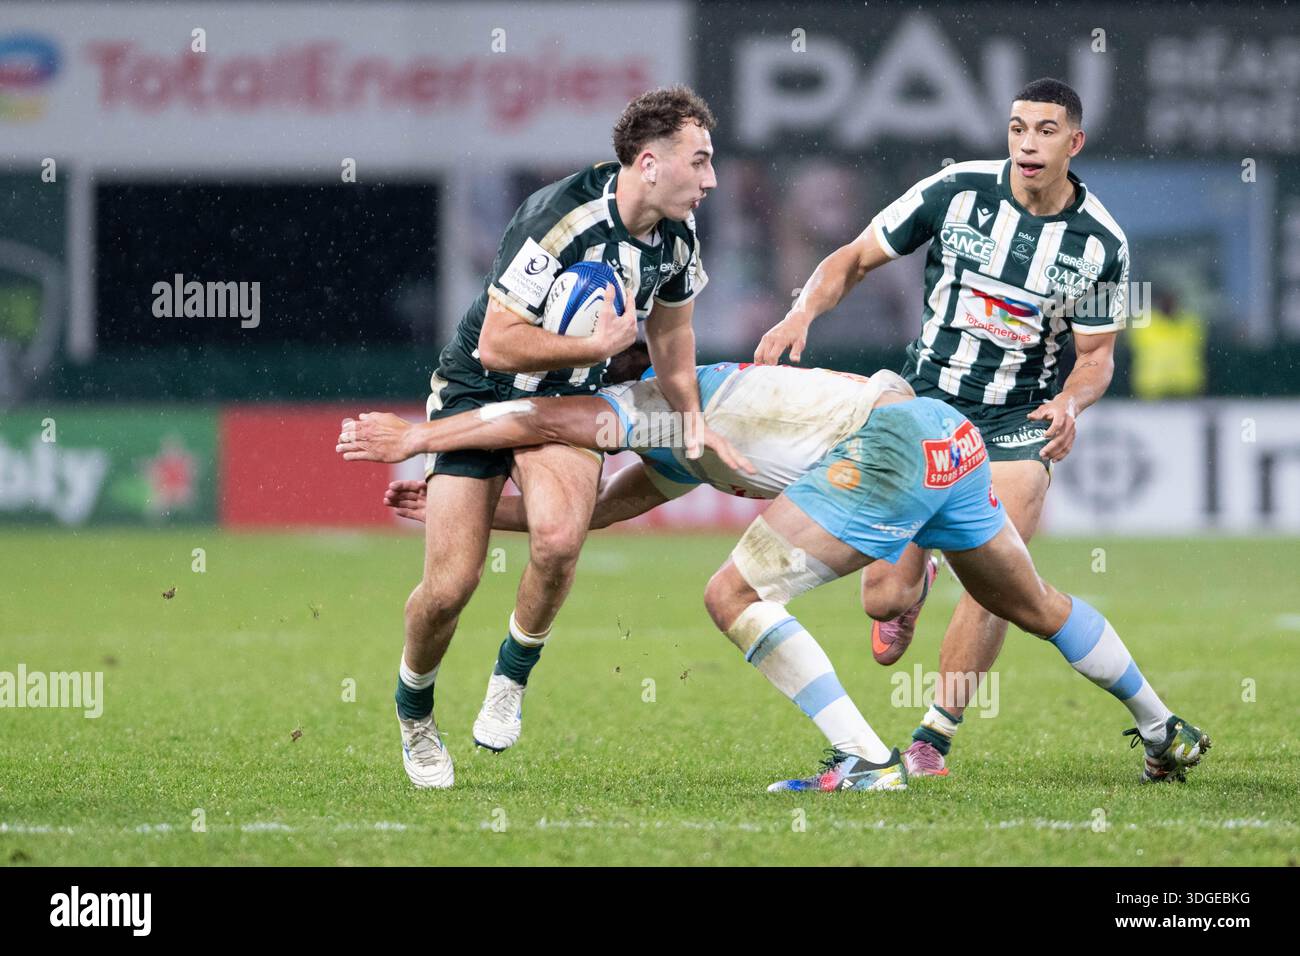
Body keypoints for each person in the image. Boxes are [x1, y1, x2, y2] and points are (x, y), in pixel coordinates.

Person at [337, 352, 1210, 791]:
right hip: (946, 436)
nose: (575, 438)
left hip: (890, 446)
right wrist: (474, 509)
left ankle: (864, 761)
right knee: (1033, 602)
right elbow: (598, 511)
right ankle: (1165, 728)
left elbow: (536, 414)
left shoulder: (648, 401)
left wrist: (422, 437)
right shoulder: (684, 435)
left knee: (733, 593)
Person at [754, 77, 1133, 777]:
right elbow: (855, 257)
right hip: (927, 405)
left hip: (1017, 423)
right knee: (884, 603)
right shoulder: (955, 190)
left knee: (1002, 580)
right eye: (1018, 127)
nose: (1027, 142)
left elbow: (1097, 359)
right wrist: (802, 311)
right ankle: (915, 578)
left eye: (1046, 130)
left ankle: (935, 734)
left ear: (1073, 143)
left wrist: (1072, 402)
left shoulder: (1100, 242)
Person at [392, 86, 743, 789]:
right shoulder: (557, 217)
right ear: (650, 163)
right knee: (451, 586)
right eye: (699, 163)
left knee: (559, 539)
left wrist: (692, 418)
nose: (710, 180)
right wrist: (599, 340)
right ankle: (416, 715)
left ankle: (511, 678)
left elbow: (673, 336)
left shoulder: (677, 235)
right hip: (480, 392)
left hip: (568, 398)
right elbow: (495, 345)